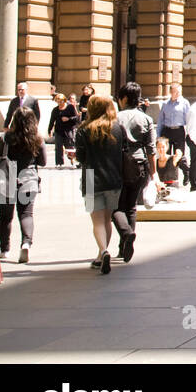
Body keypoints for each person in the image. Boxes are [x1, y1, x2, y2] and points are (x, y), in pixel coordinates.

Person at [74, 95, 122, 274]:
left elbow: (80, 157)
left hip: (91, 178)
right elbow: (123, 152)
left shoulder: (84, 129)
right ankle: (101, 255)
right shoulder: (117, 128)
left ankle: (103, 251)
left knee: (97, 221)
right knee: (107, 219)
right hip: (114, 178)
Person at [0, 107, 45, 263]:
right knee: (26, 214)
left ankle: (4, 249)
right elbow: (43, 162)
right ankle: (26, 243)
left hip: (7, 180)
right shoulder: (37, 138)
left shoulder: (6, 138)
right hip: (28, 179)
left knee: (5, 217)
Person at [113, 82, 155, 265]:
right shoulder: (146, 119)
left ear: (123, 99)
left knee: (116, 206)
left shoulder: (115, 117)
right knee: (131, 206)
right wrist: (154, 174)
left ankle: (125, 237)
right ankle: (125, 245)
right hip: (140, 165)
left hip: (119, 165)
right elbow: (151, 149)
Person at [156, 82, 191, 186]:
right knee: (164, 154)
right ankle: (168, 177)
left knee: (179, 154)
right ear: (171, 92)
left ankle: (186, 172)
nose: (178, 94)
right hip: (167, 130)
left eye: (179, 92)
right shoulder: (165, 104)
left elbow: (189, 119)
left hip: (178, 131)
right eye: (176, 92)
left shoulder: (185, 103)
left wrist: (189, 133)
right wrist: (158, 135)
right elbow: (160, 120)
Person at [49, 92, 80, 168]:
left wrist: (68, 119)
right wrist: (49, 130)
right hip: (59, 130)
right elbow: (52, 120)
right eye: (58, 101)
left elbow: (77, 118)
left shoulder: (70, 107)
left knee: (70, 146)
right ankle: (59, 163)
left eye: (61, 101)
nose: (60, 103)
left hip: (69, 130)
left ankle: (73, 160)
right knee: (58, 147)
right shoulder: (55, 110)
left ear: (64, 100)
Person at [153, 137, 182, 201]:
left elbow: (179, 154)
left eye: (163, 147)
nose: (161, 149)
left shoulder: (172, 159)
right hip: (160, 190)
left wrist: (178, 151)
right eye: (159, 147)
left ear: (167, 147)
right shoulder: (155, 162)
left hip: (172, 189)